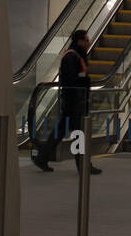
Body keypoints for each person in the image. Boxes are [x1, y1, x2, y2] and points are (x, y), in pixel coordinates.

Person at [32, 30, 102, 175]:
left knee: (60, 132)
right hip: (74, 102)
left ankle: (42, 157)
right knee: (79, 133)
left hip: (74, 101)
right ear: (80, 41)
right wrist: (84, 80)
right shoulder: (71, 56)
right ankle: (83, 165)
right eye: (86, 40)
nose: (88, 43)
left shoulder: (77, 55)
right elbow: (71, 81)